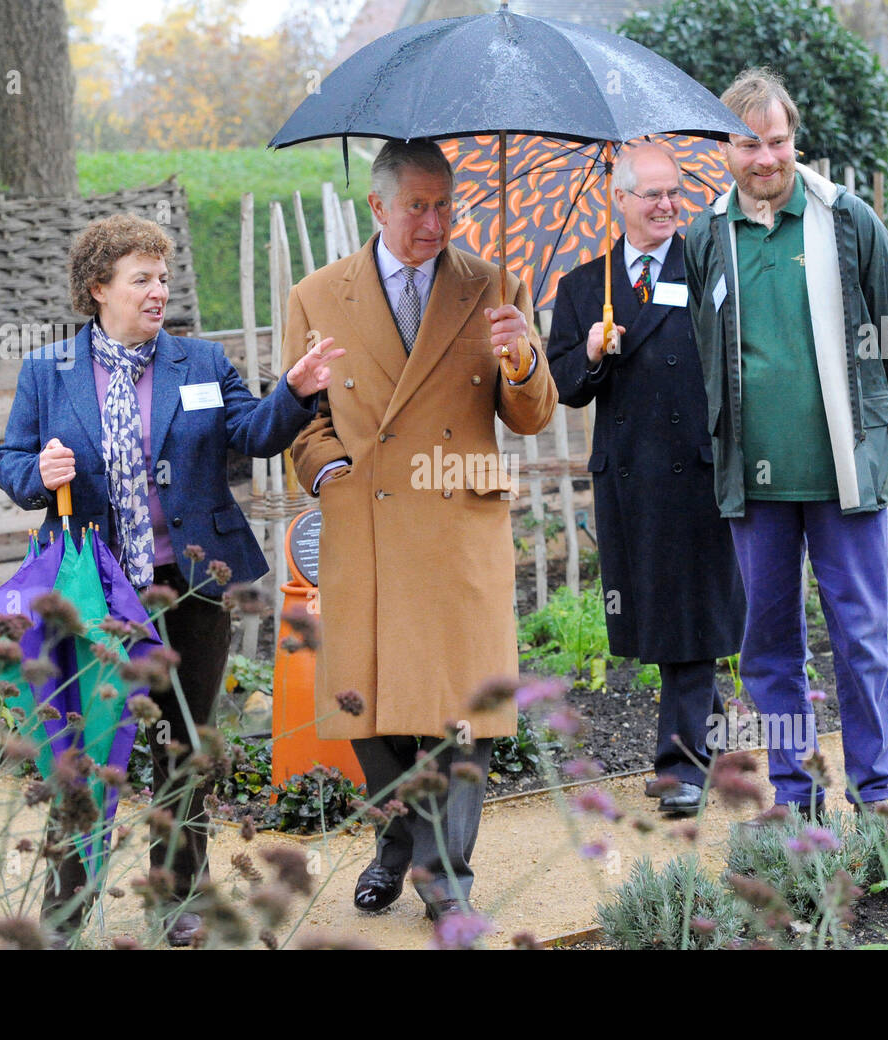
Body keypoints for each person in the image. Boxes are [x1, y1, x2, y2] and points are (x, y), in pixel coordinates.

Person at [0, 213, 341, 945]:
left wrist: (297, 390)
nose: (159, 292)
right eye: (141, 280)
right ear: (98, 289)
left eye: (163, 277)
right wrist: (37, 474)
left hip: (190, 588)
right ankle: (66, 909)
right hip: (96, 595)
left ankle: (178, 903)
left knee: (185, 746)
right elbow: (11, 460)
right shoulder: (46, 372)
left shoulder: (201, 363)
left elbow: (252, 433)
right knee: (87, 751)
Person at [281, 139, 558, 922]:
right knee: (369, 712)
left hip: (456, 526)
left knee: (458, 712)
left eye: (446, 204)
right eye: (418, 206)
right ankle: (396, 846)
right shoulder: (315, 294)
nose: (436, 222)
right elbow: (305, 421)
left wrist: (522, 359)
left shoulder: (492, 286)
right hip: (365, 526)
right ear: (377, 206)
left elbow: (531, 416)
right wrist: (331, 471)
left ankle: (446, 885)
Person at [683, 68, 888, 816]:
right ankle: (796, 795)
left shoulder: (847, 220)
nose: (764, 159)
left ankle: (874, 795)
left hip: (843, 475)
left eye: (776, 142)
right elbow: (707, 351)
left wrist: (868, 428)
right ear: (726, 149)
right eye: (748, 144)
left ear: (794, 141)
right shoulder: (705, 236)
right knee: (768, 648)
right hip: (756, 484)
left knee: (861, 640)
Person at [546, 142, 744, 817]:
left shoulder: (711, 268)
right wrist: (593, 353)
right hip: (629, 481)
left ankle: (680, 769)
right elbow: (562, 386)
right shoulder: (582, 288)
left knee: (690, 617)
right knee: (662, 618)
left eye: (674, 193)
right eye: (652, 194)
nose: (667, 205)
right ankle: (711, 739)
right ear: (620, 199)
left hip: (697, 471)